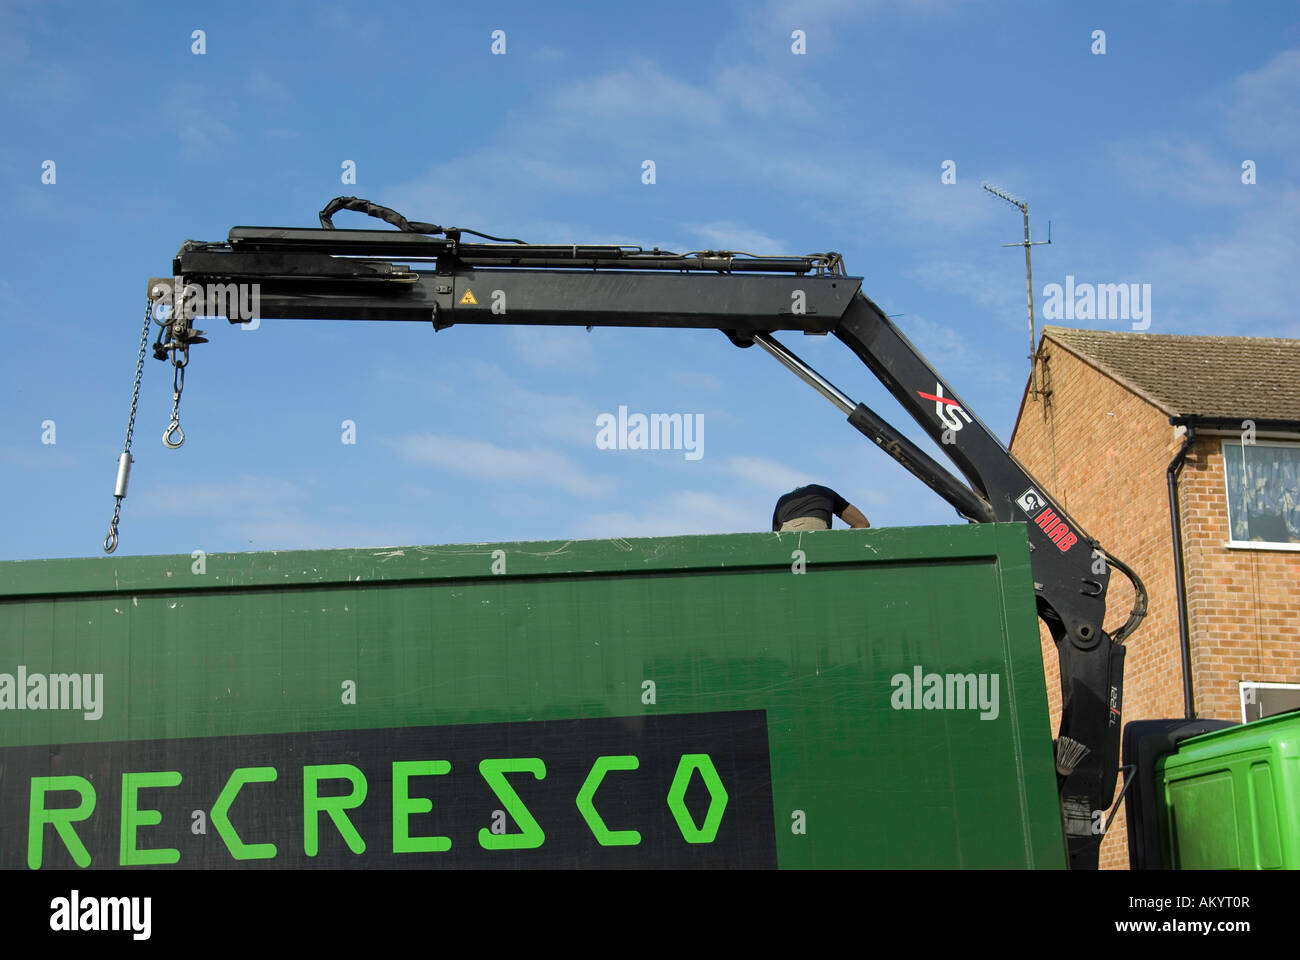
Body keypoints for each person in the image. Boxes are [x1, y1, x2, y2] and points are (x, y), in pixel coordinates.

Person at [772, 484, 870, 532]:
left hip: (787, 533)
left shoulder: (783, 500)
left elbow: (775, 537)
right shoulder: (824, 492)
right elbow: (862, 523)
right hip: (816, 529)